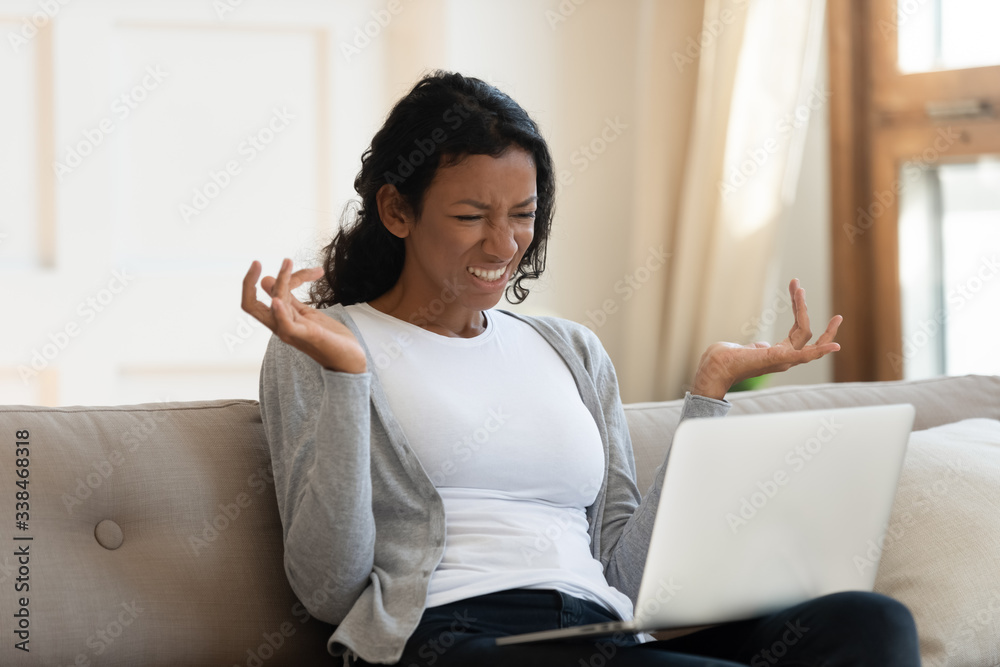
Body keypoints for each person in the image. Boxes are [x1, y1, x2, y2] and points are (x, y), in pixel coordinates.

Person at [241, 70, 921, 666]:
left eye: (523, 215)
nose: (504, 243)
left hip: (604, 630)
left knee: (870, 622)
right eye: (472, 214)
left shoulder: (571, 349)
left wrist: (711, 387)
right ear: (397, 210)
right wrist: (348, 376)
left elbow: (629, 574)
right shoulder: (326, 343)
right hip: (454, 636)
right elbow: (328, 586)